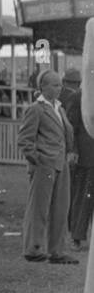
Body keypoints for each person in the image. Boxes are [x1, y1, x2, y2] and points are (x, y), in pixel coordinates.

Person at [18, 69, 78, 264]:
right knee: (39, 208)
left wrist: (69, 152)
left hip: (61, 164)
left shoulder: (59, 108)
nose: (58, 88)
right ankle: (33, 249)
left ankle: (57, 251)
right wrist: (37, 159)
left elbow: (66, 134)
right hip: (45, 165)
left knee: (61, 208)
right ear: (42, 87)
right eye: (53, 85)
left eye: (60, 85)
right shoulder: (36, 108)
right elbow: (25, 139)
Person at [60, 75, 94, 248]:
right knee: (82, 197)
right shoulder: (79, 96)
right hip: (86, 156)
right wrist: (73, 150)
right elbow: (71, 126)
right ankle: (77, 237)